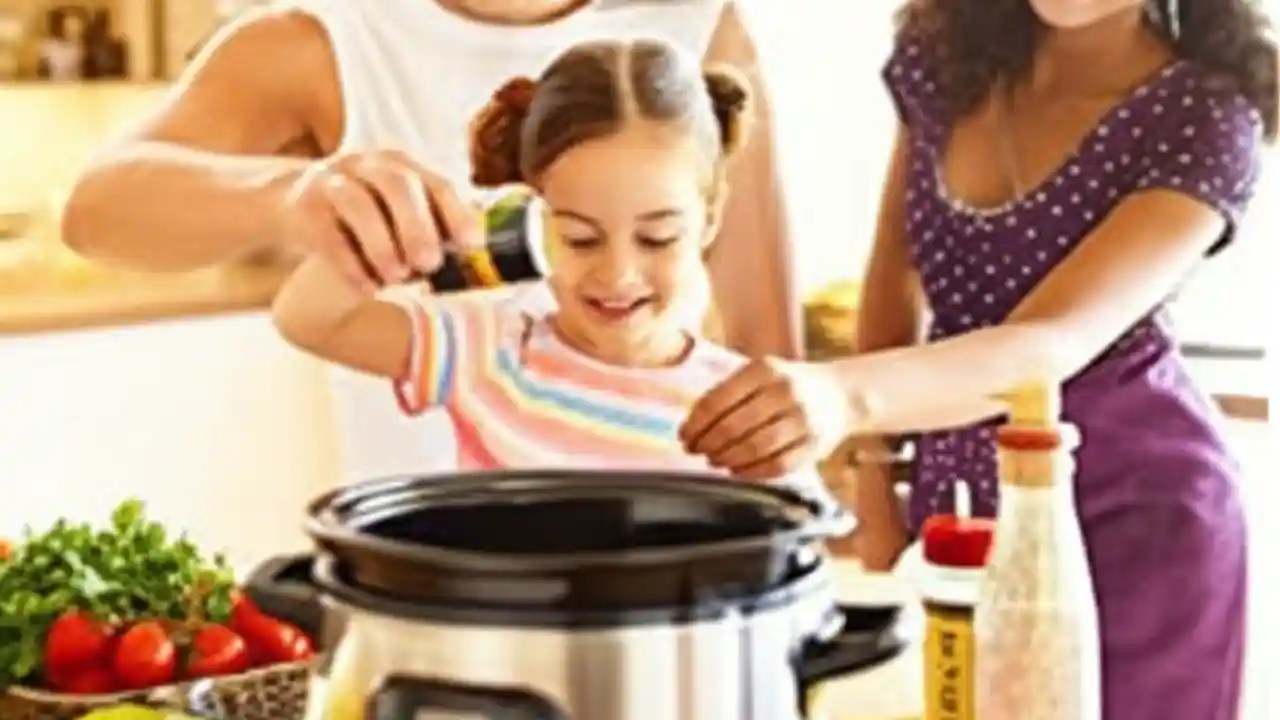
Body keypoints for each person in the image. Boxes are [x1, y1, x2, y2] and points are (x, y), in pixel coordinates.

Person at [680, 1, 1275, 718]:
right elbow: (893, 278)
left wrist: (844, 397)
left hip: (1134, 517)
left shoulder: (1205, 119)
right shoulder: (943, 56)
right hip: (957, 501)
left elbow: (1048, 344)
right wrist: (875, 476)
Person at [59, 0, 799, 359]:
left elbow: (769, 354)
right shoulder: (321, 39)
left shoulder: (699, 27)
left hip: (665, 557)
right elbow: (98, 209)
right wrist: (292, 198)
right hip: (419, 572)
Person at [271, 38, 833, 506]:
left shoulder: (740, 408)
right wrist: (409, 226)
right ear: (535, 218)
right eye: (580, 238)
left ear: (709, 219)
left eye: (656, 238)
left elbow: (795, 548)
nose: (617, 274)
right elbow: (306, 319)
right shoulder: (486, 350)